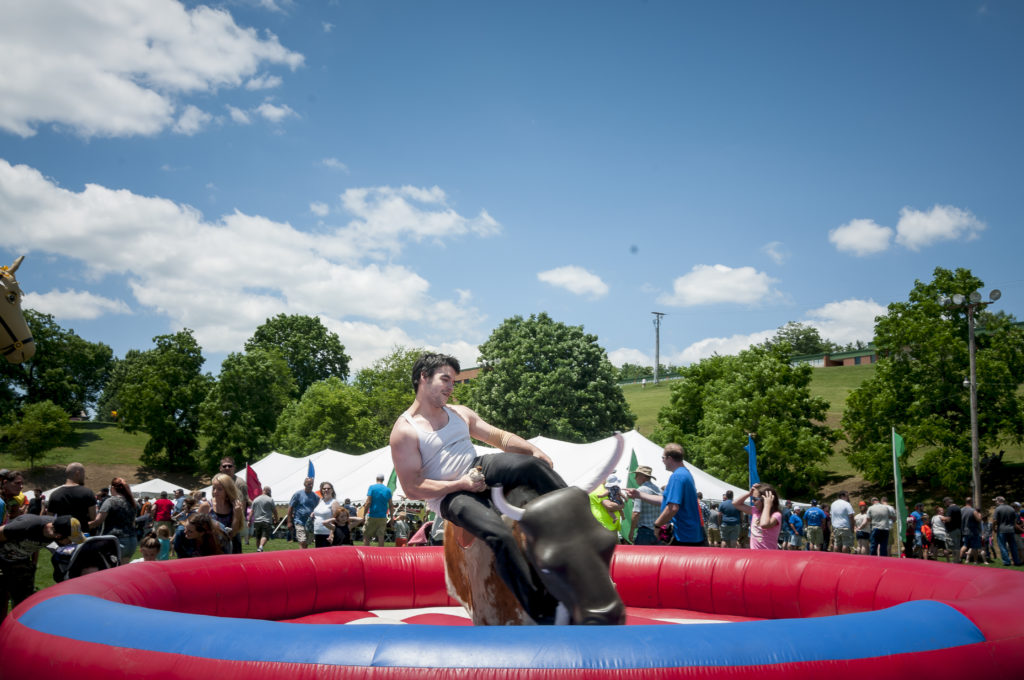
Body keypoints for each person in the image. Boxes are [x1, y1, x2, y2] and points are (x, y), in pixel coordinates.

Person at [389, 352, 565, 622]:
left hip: (477, 466)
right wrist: (461, 484)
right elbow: (413, 488)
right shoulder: (405, 430)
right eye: (445, 379)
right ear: (423, 377)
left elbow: (499, 438)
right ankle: (539, 607)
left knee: (530, 465)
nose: (451, 386)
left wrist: (534, 450)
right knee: (500, 535)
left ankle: (574, 524)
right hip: (450, 494)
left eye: (453, 381)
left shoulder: (459, 413)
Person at [0, 514, 84, 618]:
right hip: (2, 559)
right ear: (58, 536)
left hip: (20, 561)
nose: (71, 543)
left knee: (23, 602)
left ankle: (17, 624)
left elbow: (35, 544)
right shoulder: (26, 525)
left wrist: (33, 562)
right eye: (70, 539)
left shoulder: (55, 529)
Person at [628, 443, 704, 546]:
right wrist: (639, 494)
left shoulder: (677, 477)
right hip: (689, 533)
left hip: (684, 535)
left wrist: (657, 525)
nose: (662, 461)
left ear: (670, 458)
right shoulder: (685, 474)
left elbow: (672, 507)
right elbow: (665, 500)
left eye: (663, 457)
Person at [90, 478, 139, 562]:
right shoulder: (133, 502)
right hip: (132, 541)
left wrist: (83, 525)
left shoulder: (110, 501)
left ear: (112, 488)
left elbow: (98, 521)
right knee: (123, 568)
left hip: (117, 541)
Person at [733, 483, 781, 550]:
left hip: (769, 553)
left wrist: (767, 505)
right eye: (752, 498)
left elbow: (764, 524)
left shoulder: (776, 515)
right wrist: (749, 494)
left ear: (764, 500)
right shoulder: (755, 511)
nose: (752, 501)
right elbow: (736, 503)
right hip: (755, 553)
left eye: (755, 499)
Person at [205, 473, 245, 554]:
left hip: (232, 548)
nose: (215, 492)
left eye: (219, 489)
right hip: (212, 549)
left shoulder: (234, 506)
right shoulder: (206, 506)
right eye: (214, 488)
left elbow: (233, 533)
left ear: (227, 490)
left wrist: (237, 516)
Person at [627, 466, 662, 546]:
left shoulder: (640, 490)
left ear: (643, 476)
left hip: (644, 532)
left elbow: (636, 513)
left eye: (636, 475)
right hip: (658, 531)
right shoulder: (659, 490)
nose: (635, 478)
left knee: (640, 553)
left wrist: (631, 531)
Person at [287, 477, 319, 549]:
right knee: (302, 541)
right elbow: (290, 507)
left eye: (312, 484)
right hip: (299, 521)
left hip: (310, 523)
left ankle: (304, 554)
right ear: (304, 484)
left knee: (306, 543)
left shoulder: (316, 497)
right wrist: (289, 521)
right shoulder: (298, 494)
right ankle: (302, 554)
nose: (310, 485)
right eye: (309, 484)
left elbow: (318, 509)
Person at [363, 474, 394, 546]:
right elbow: (391, 505)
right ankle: (381, 552)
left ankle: (366, 551)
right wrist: (392, 518)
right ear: (383, 480)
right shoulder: (388, 490)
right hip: (383, 516)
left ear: (376, 479)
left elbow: (368, 502)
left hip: (372, 515)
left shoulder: (372, 487)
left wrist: (364, 514)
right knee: (381, 536)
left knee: (367, 535)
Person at [994, 496, 1023, 566]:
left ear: (999, 501)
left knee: (1002, 546)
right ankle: (1016, 561)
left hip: (1002, 530)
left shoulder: (998, 509)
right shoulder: (1011, 509)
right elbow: (1015, 521)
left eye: (996, 501)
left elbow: (995, 520)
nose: (995, 502)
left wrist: (993, 528)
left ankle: (1007, 561)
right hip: (1011, 530)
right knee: (1013, 546)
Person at [312, 481, 342, 548]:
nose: (326, 490)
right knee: (318, 553)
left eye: (328, 488)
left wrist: (332, 534)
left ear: (332, 490)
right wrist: (313, 513)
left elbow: (336, 520)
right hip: (317, 532)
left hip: (327, 534)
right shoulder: (320, 501)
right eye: (324, 489)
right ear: (321, 490)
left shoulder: (334, 502)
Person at [251, 486, 278, 552]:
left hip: (257, 521)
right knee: (265, 536)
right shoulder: (270, 499)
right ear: (267, 491)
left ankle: (259, 550)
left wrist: (249, 520)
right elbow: (275, 511)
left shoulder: (256, 499)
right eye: (270, 491)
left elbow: (252, 511)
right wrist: (276, 519)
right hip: (266, 521)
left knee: (258, 537)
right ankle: (260, 547)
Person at [960, 496, 985, 564]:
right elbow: (978, 519)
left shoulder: (961, 510)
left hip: (964, 531)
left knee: (965, 545)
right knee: (975, 547)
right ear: (971, 502)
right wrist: (980, 516)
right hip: (973, 531)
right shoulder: (973, 510)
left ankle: (959, 558)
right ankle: (975, 561)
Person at [943, 496, 962, 563]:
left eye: (944, 503)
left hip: (952, 530)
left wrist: (943, 518)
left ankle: (954, 561)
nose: (945, 504)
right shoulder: (958, 508)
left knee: (952, 547)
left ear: (947, 501)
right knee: (957, 546)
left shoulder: (950, 508)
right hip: (958, 530)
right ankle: (957, 560)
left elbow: (948, 519)